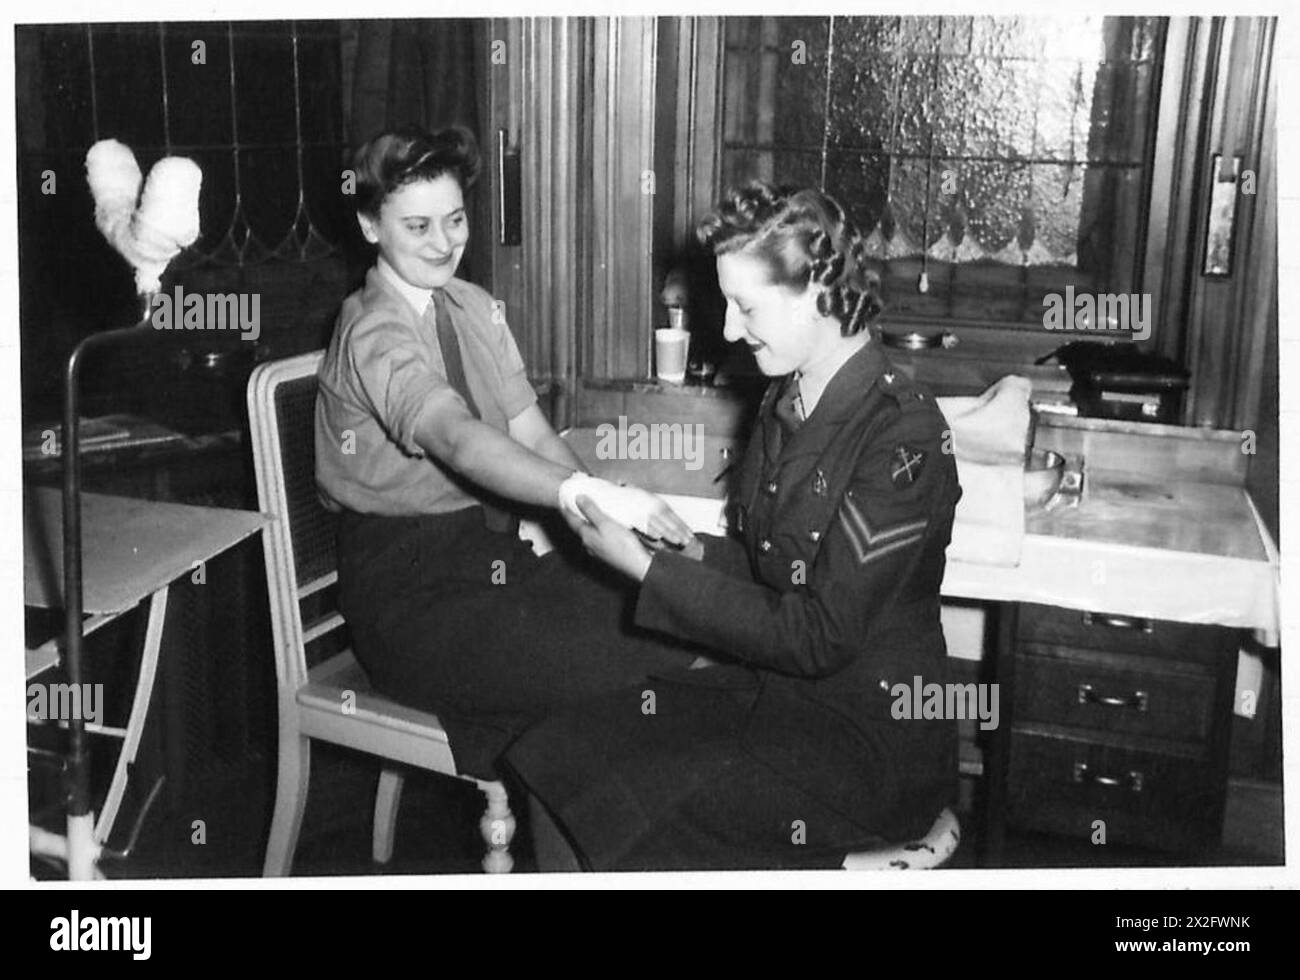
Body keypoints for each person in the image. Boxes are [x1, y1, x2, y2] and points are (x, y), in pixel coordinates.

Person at [505, 181, 963, 871]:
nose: (727, 331)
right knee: (552, 755)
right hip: (781, 700)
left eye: (746, 306)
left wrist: (648, 570)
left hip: (866, 745)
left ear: (817, 290)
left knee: (632, 803)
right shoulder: (788, 395)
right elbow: (773, 568)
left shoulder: (906, 437)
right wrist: (687, 551)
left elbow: (818, 635)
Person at [315, 124, 698, 778]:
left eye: (456, 219)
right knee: (643, 645)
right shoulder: (372, 331)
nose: (445, 243)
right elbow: (458, 440)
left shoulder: (474, 307)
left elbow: (533, 433)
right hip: (408, 599)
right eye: (418, 226)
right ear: (370, 225)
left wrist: (614, 520)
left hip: (492, 562)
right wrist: (585, 494)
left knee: (676, 603)